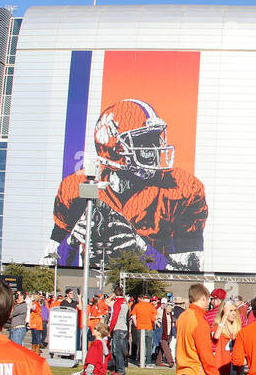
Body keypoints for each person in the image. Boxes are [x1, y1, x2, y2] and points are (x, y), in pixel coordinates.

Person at [40, 100, 208, 271]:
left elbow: (189, 272)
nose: (154, 149)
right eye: (143, 141)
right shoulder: (77, 187)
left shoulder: (182, 188)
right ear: (114, 146)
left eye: (155, 139)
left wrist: (140, 247)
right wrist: (72, 240)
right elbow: (47, 263)